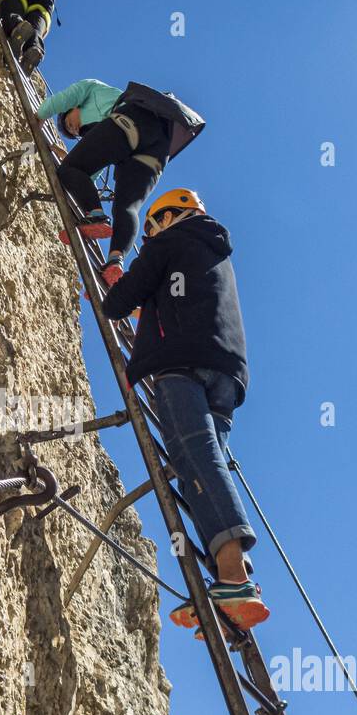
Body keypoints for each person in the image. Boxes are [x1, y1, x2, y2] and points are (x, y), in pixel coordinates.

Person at [101, 188, 269, 635]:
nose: (150, 233)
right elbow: (180, 299)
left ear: (171, 216)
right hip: (226, 375)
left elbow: (119, 302)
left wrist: (117, 283)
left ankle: (232, 578)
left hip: (182, 365)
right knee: (204, 466)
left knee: (195, 458)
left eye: (154, 224)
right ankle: (231, 583)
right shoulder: (214, 250)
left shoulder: (171, 242)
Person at [35, 79, 205, 286]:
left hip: (131, 120)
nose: (76, 130)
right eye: (75, 133)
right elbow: (91, 174)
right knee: (128, 207)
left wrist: (40, 115)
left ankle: (96, 217)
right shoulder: (97, 126)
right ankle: (115, 261)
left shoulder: (90, 89)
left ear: (75, 107)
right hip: (157, 151)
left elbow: (63, 99)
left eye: (70, 123)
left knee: (68, 170)